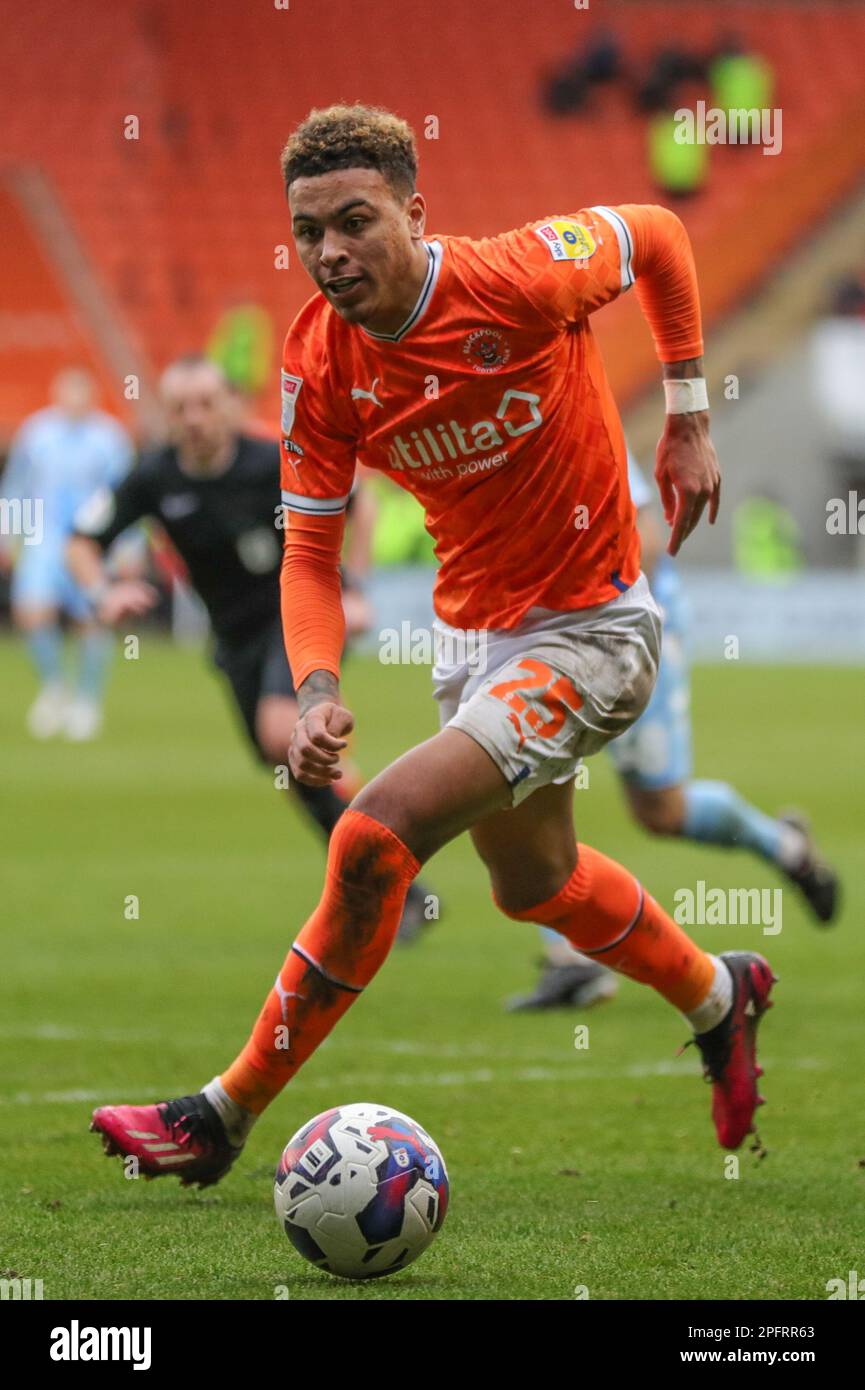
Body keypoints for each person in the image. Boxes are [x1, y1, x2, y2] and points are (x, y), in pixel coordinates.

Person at [90, 104, 775, 1190]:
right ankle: (716, 995)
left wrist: (689, 413)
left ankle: (220, 1113)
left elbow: (658, 233)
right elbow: (309, 555)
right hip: (474, 636)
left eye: (355, 221)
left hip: (592, 627)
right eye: (309, 230)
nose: (330, 252)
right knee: (536, 883)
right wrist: (315, 687)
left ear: (416, 210)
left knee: (374, 833)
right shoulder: (318, 363)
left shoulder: (517, 278)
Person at [67, 354, 433, 933]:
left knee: (279, 735)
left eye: (207, 404)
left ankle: (381, 879)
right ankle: (388, 872)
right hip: (233, 640)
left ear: (231, 406)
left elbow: (358, 500)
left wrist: (353, 586)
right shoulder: (154, 476)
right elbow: (84, 541)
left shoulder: (270, 461)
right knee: (292, 765)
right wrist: (102, 591)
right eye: (181, 407)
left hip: (296, 619)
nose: (195, 418)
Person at [509, 454, 839, 1012]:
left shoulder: (576, 421)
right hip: (550, 633)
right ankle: (571, 961)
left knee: (660, 811)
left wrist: (581, 599)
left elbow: (649, 540)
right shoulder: (494, 433)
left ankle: (785, 848)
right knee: (526, 770)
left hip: (626, 629)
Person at [0, 368, 133, 739]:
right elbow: (16, 488)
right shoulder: (36, 434)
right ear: (57, 396)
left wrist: (129, 545)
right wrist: (8, 535)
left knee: (92, 619)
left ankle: (87, 701)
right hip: (43, 540)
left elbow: (128, 496)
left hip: (92, 543)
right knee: (31, 611)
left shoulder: (109, 438)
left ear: (90, 397)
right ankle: (55, 686)